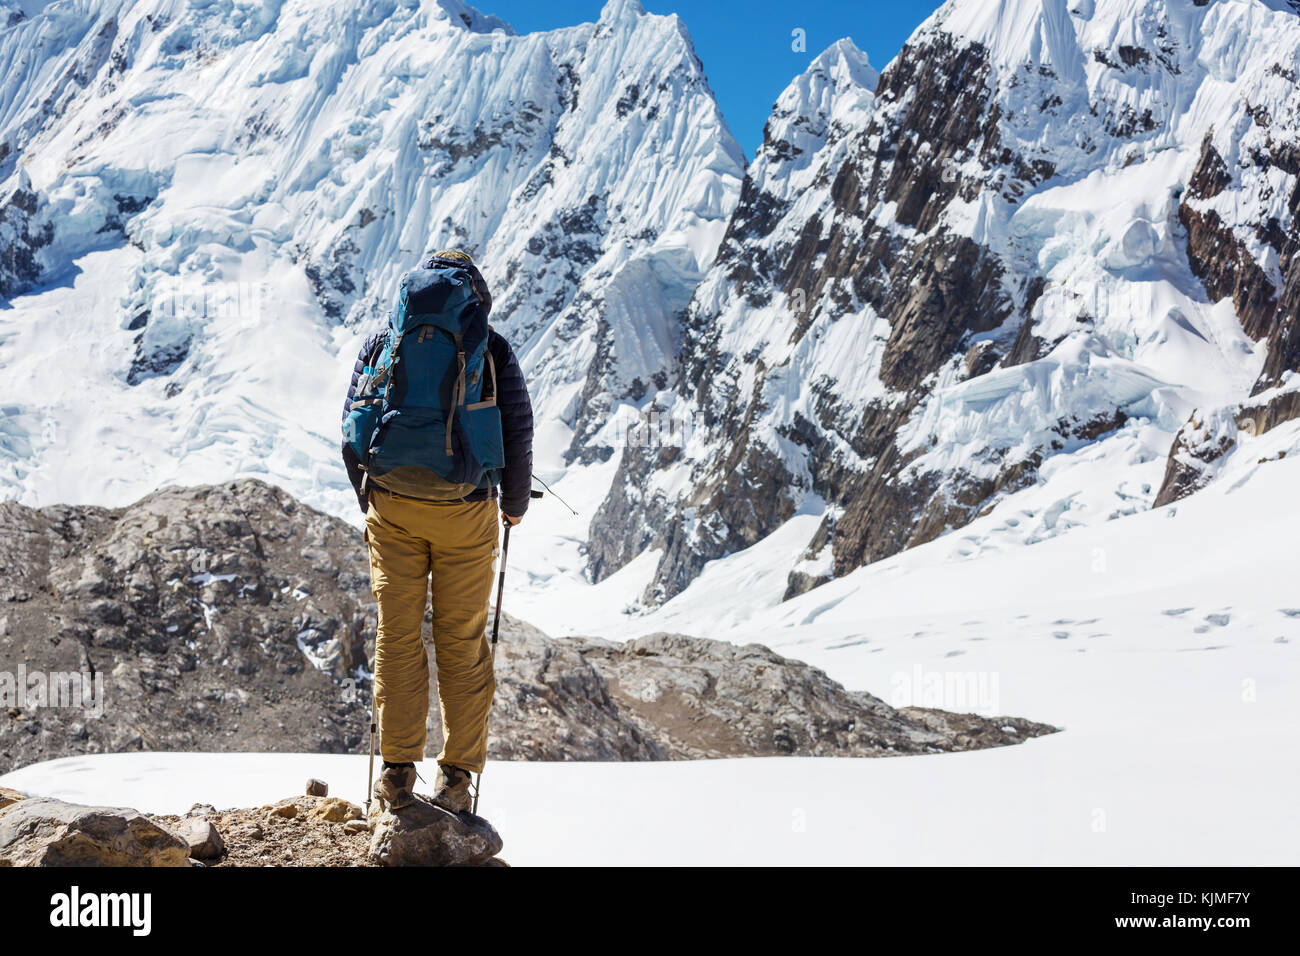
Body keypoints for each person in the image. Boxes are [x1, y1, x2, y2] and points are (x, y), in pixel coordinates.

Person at [341, 249, 533, 812]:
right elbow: (517, 432)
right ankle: (456, 780)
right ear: (474, 295)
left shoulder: (385, 341)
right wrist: (514, 506)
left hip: (393, 507)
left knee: (398, 636)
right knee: (462, 641)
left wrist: (369, 496)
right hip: (464, 510)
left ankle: (397, 775)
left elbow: (354, 422)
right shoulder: (491, 348)